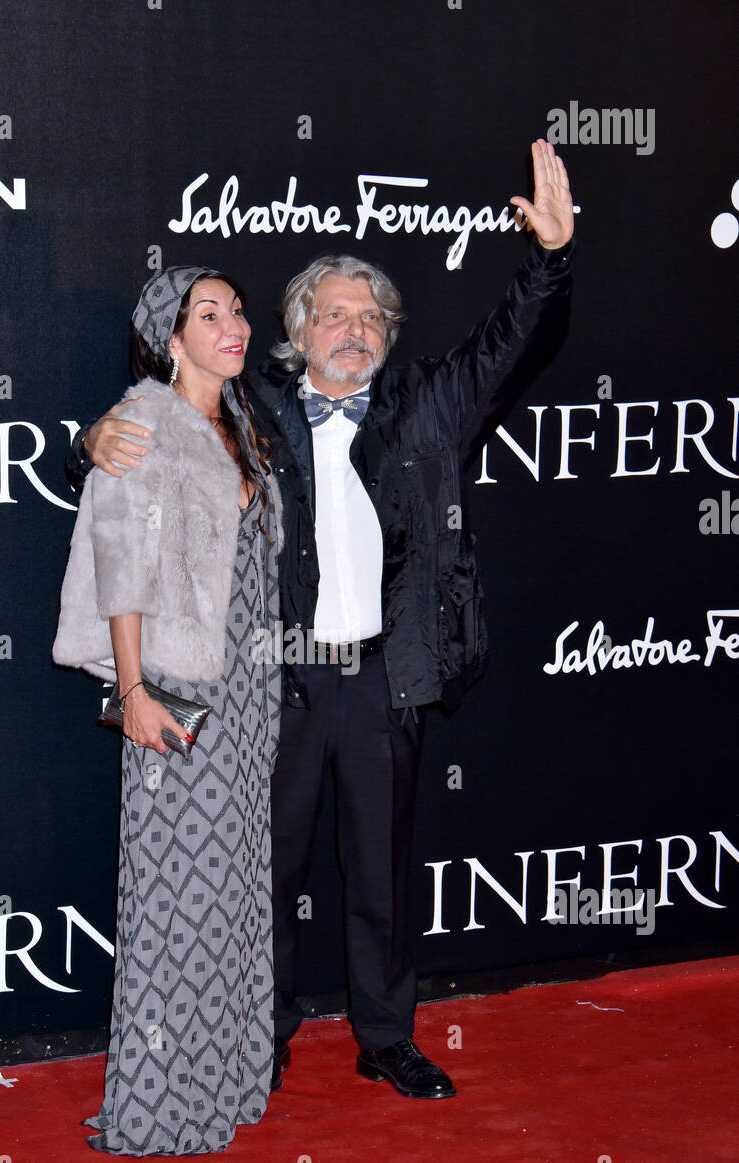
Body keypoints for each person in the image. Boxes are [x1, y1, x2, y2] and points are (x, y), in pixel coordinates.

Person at [67, 140, 575, 1101]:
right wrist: (87, 443)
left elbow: (516, 342)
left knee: (382, 874)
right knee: (267, 874)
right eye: (334, 313)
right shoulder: (252, 410)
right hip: (277, 681)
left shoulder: (431, 405)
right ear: (297, 331)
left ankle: (387, 1038)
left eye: (371, 315)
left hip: (388, 677)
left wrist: (549, 262)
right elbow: (143, 447)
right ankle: (259, 1035)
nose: (355, 327)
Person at [53, 265, 284, 1154]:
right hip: (178, 696)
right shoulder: (142, 424)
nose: (232, 325)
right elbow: (121, 569)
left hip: (252, 697)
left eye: (237, 310)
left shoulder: (244, 428)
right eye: (208, 314)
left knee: (231, 893)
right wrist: (132, 691)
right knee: (176, 898)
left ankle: (224, 1079)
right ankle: (162, 1104)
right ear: (169, 336)